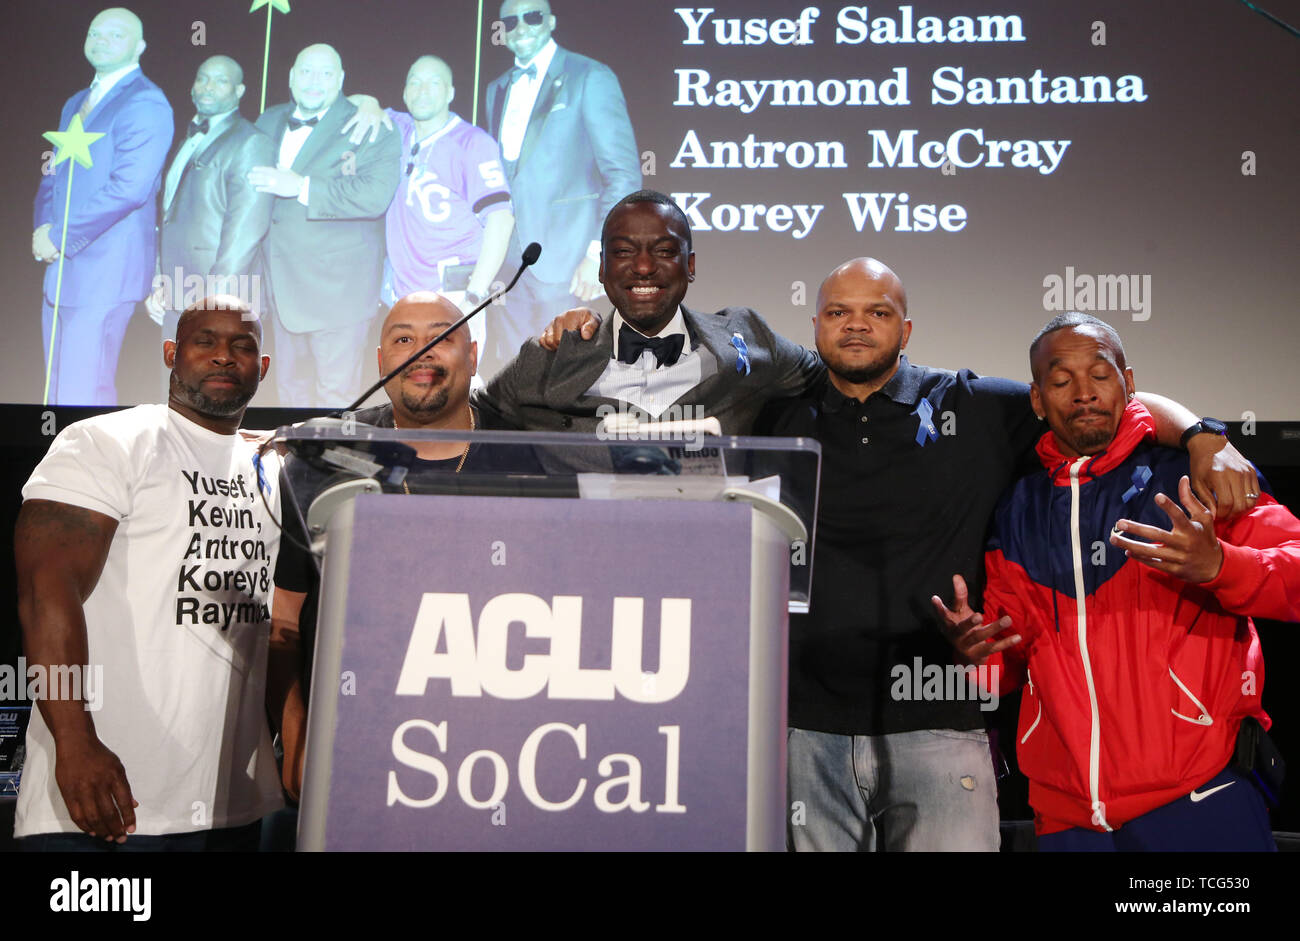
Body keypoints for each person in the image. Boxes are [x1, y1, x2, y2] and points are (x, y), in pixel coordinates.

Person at [744, 258, 1261, 852]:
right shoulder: (776, 415)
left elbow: (1100, 403)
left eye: (877, 312)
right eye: (839, 312)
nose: (856, 326)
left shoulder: (975, 405)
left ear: (905, 330)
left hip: (942, 716)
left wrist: (1203, 434)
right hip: (806, 723)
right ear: (815, 325)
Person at [933, 313, 1300, 851]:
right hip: (1068, 818)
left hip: (1200, 797)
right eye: (1061, 382)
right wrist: (976, 652)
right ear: (1037, 400)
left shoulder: (1197, 474)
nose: (1083, 393)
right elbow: (1007, 669)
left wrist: (1221, 567)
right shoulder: (1017, 508)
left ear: (1130, 384)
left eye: (1100, 375)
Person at [13, 297, 283, 851]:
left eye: (243, 345)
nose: (224, 356)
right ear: (171, 353)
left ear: (264, 366)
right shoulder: (106, 443)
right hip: (104, 800)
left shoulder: (276, 470)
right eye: (204, 340)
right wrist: (74, 740)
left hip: (233, 806)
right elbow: (46, 593)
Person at [270, 292, 541, 801]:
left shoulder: (528, 453)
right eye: (403, 339)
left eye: (442, 337)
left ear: (474, 354)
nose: (423, 353)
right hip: (352, 744)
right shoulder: (324, 457)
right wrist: (295, 736)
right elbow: (288, 618)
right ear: (380, 360)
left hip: (501, 748)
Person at [475, 190, 822, 435]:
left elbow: (832, 376)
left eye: (664, 250)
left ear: (689, 266)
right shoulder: (550, 356)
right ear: (601, 269)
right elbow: (471, 421)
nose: (643, 267)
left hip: (710, 535)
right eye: (624, 251)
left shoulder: (746, 338)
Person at [480, 0, 641, 378]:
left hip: (567, 262)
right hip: (508, 262)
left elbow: (622, 174)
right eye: (510, 20)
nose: (521, 26)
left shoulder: (590, 76)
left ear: (550, 21)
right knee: (515, 374)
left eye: (532, 16)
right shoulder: (496, 88)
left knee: (568, 378)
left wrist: (598, 252)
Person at [33, 7, 173, 405]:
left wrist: (59, 236)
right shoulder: (77, 101)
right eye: (95, 33)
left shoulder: (147, 102)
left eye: (116, 35)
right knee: (56, 392)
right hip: (62, 268)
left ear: (140, 46)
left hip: (104, 271)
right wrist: (42, 229)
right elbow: (53, 176)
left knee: (83, 397)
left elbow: (129, 189)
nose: (101, 41)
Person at [250, 44, 401, 408]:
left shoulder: (371, 124)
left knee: (337, 402)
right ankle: (291, 466)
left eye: (325, 73)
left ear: (342, 80)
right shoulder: (268, 121)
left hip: (339, 294)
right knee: (288, 397)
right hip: (280, 290)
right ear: (290, 77)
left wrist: (301, 187)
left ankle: (332, 467)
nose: (314, 82)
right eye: (305, 71)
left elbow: (375, 196)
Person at [378, 56, 513, 357]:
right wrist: (364, 104)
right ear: (403, 91)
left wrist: (475, 294)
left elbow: (501, 220)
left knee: (454, 391)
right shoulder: (396, 129)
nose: (422, 90)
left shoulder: (473, 143)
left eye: (434, 82)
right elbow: (364, 106)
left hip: (453, 294)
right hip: (402, 295)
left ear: (451, 92)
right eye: (415, 81)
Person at [153, 55, 273, 333]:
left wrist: (216, 299)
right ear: (192, 87)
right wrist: (159, 280)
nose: (208, 87)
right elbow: (170, 217)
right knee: (173, 377)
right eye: (202, 79)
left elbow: (246, 231)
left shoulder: (251, 141)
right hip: (175, 293)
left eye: (221, 81)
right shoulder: (186, 141)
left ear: (239, 91)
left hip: (219, 300)